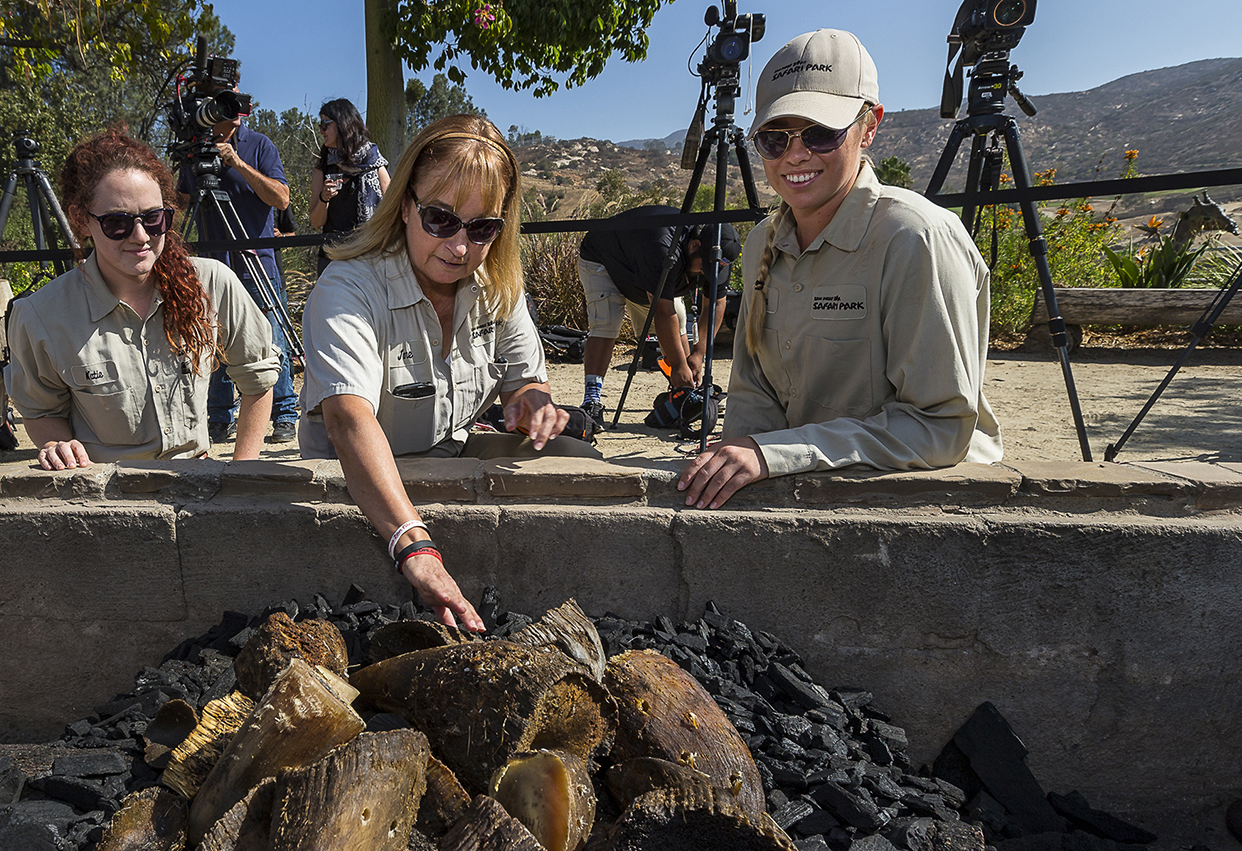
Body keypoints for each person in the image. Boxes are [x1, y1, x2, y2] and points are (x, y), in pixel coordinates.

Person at [678, 28, 1002, 509]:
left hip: (929, 502)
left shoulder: (915, 238)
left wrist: (777, 453)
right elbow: (753, 393)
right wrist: (737, 461)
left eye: (821, 133)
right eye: (773, 138)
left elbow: (940, 427)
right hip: (808, 493)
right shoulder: (762, 244)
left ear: (869, 126)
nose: (795, 154)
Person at [301, 115, 599, 632]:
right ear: (403, 205)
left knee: (576, 459)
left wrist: (532, 403)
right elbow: (348, 422)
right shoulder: (347, 290)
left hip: (447, 455)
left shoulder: (498, 284)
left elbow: (527, 380)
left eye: (482, 228)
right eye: (440, 219)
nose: (460, 247)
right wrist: (413, 542)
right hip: (353, 478)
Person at [5, 127, 279, 468]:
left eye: (153, 218)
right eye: (117, 223)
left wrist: (242, 472)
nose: (140, 236)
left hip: (197, 485)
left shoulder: (211, 283)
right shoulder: (40, 315)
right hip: (104, 494)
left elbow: (258, 378)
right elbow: (41, 409)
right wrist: (57, 444)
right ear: (81, 220)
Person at [175, 102, 299, 446]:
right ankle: (219, 417)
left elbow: (282, 199)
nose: (227, 113)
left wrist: (238, 163)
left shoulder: (259, 145)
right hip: (214, 263)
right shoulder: (195, 152)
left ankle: (284, 414)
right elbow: (181, 203)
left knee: (270, 339)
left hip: (256, 261)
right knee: (211, 340)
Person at [576, 206, 741, 431]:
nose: (705, 274)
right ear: (694, 246)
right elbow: (663, 313)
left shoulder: (717, 253)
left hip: (642, 269)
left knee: (681, 318)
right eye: (703, 268)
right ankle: (591, 400)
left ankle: (684, 390)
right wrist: (679, 364)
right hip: (604, 259)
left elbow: (715, 304)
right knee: (607, 323)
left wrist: (698, 354)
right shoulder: (663, 246)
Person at [309, 99, 391, 275]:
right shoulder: (323, 166)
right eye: (320, 124)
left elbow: (392, 211)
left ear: (343, 125)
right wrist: (324, 198)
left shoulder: (374, 163)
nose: (321, 130)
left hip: (369, 258)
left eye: (325, 124)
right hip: (332, 259)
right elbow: (316, 222)